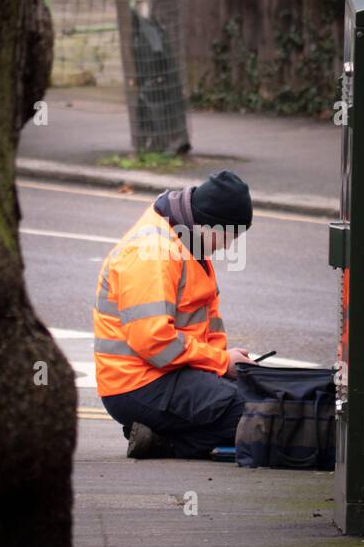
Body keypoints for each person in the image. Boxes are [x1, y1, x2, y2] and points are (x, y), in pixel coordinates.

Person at [93, 170, 254, 459]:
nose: (228, 246)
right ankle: (165, 441)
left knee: (255, 397)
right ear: (210, 225)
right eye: (229, 237)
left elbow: (207, 325)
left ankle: (156, 433)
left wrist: (226, 368)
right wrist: (221, 363)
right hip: (136, 384)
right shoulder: (153, 252)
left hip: (164, 373)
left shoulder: (189, 244)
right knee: (249, 413)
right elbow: (154, 342)